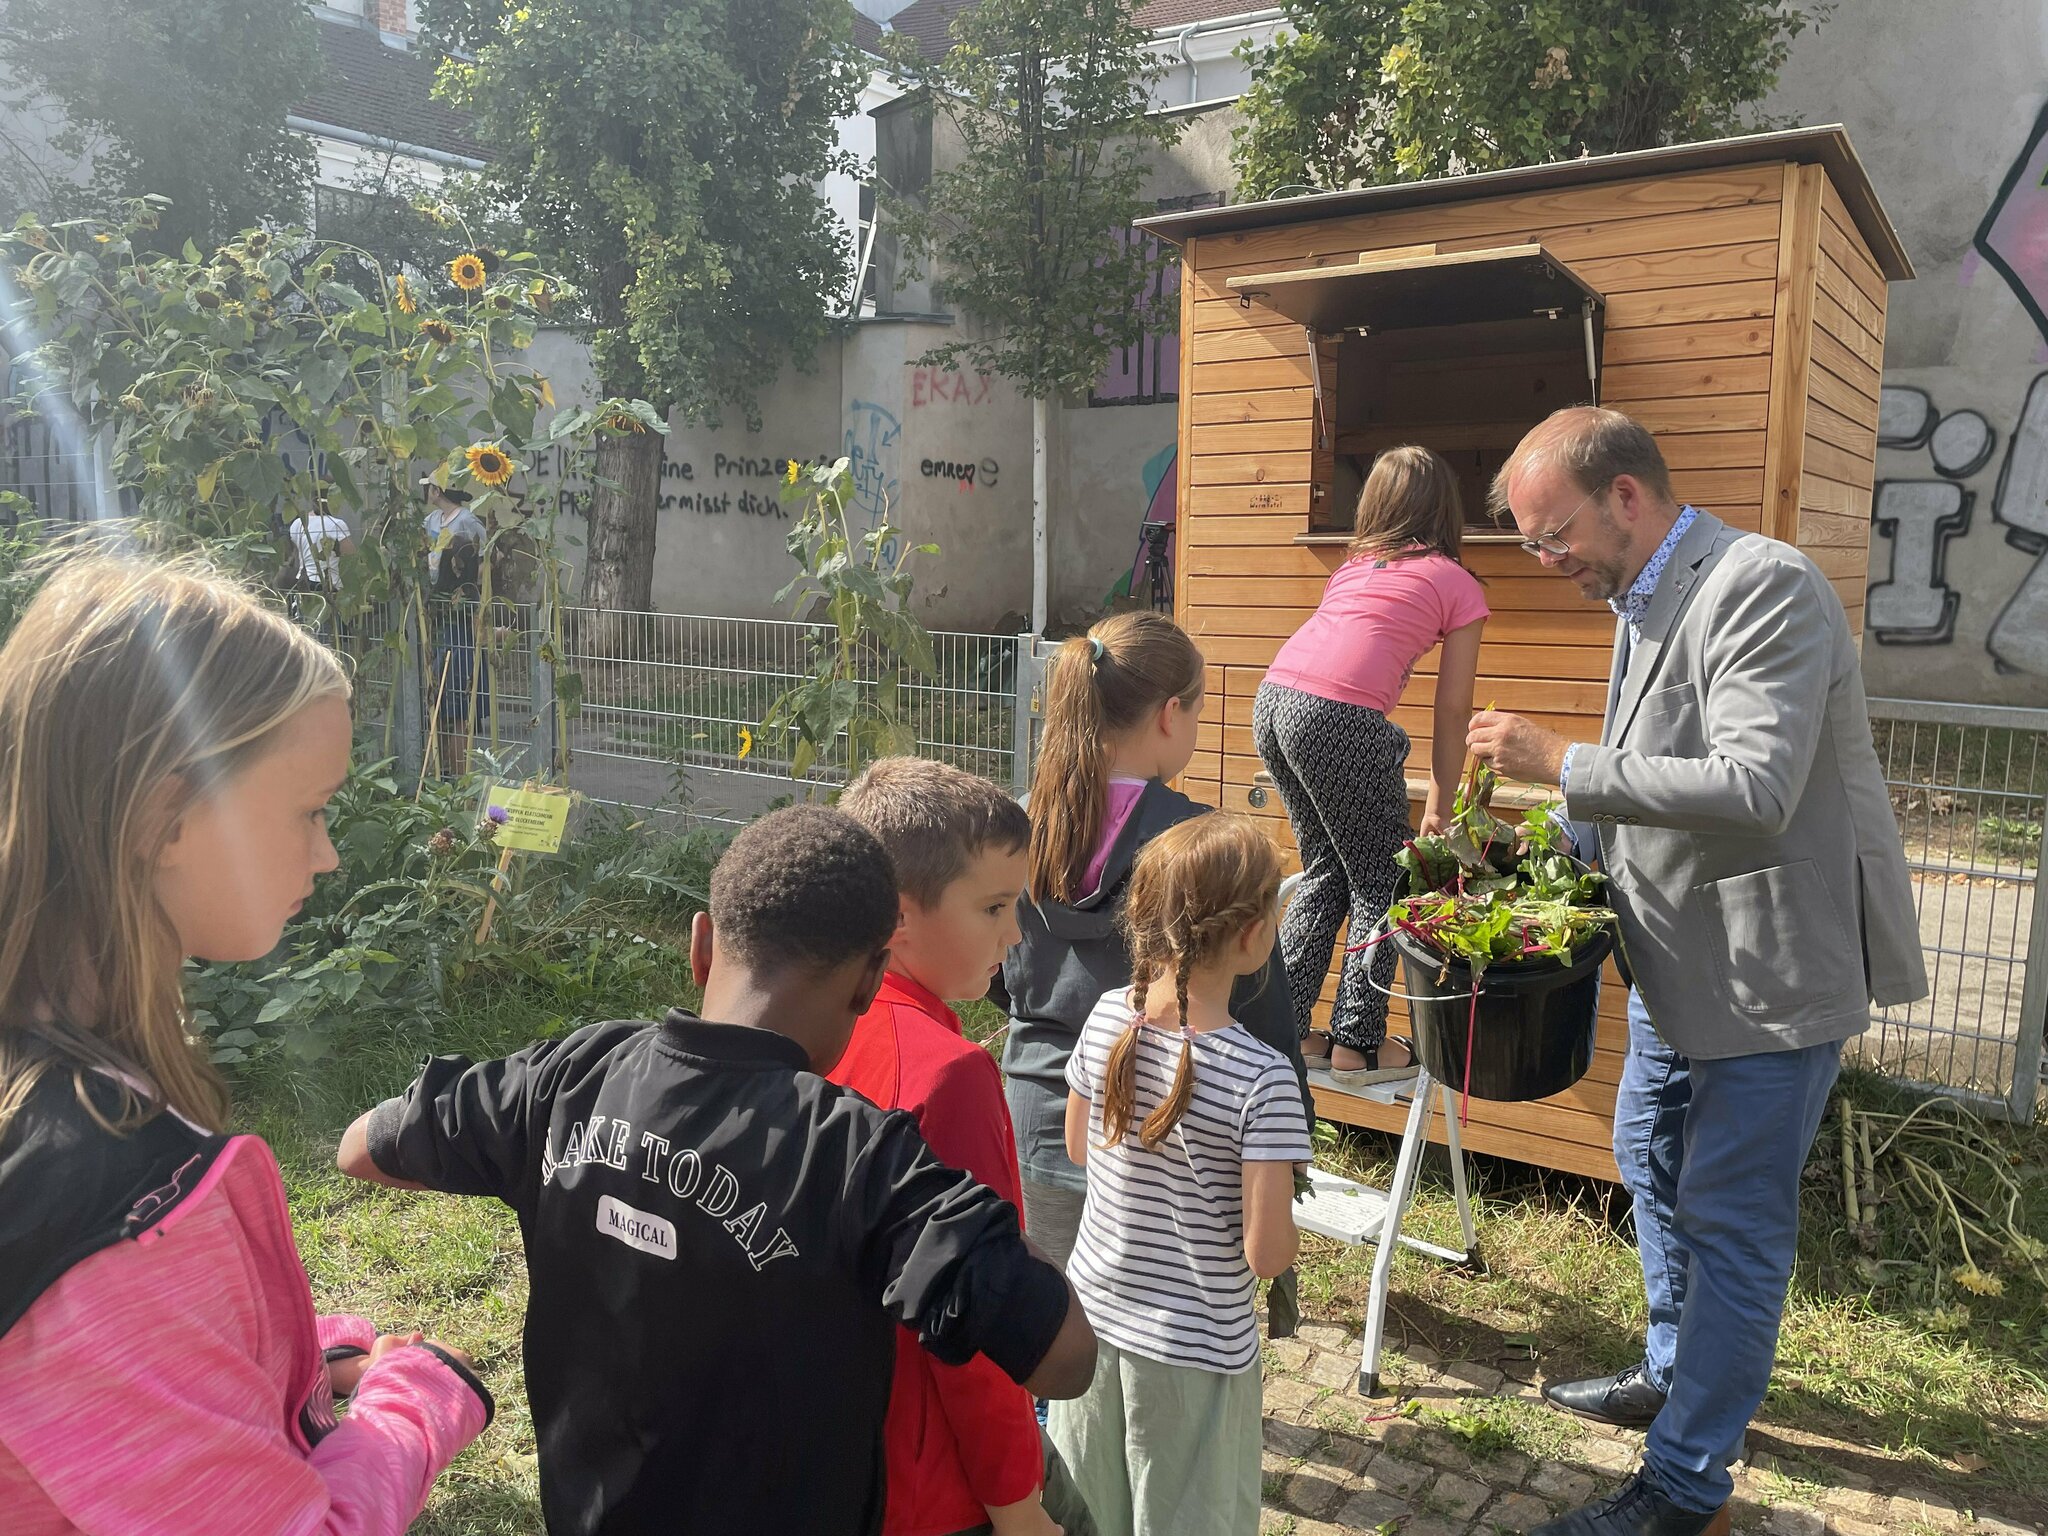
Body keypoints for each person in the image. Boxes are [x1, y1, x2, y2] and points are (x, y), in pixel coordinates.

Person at [337, 803, 1097, 1536]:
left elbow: (362, 1146)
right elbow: (1065, 1358)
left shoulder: (571, 1078)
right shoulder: (862, 1161)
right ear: (869, 983)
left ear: (701, 944)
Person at [1467, 407, 1927, 1536]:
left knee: (1728, 1221)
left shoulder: (1756, 584)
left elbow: (1752, 785)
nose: (1545, 559)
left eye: (1551, 533)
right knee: (1646, 1155)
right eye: (1530, 543)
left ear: (1625, 495)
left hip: (1768, 973)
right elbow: (1656, 770)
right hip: (1682, 967)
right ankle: (1677, 1373)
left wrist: (1560, 765)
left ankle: (1683, 1489)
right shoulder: (1641, 597)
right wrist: (1556, 843)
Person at [0, 555, 493, 1533]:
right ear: (164, 816)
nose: (327, 852)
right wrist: (418, 1402)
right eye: (309, 811)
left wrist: (288, 1355)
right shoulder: (116, 1202)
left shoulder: (58, 1082)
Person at [996, 612, 1309, 1278]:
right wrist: (1291, 1136)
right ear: (1171, 714)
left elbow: (994, 965)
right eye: (1197, 712)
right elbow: (1262, 1002)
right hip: (1165, 1135)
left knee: (1050, 1330)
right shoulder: (1201, 845)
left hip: (1032, 1122)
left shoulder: (1018, 821)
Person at [830, 757, 1090, 1536]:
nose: (1014, 933)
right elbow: (978, 1324)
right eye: (993, 907)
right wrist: (1017, 1508)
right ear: (899, 917)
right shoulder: (952, 1076)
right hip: (937, 1482)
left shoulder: (820, 1023)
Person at [1050, 813, 1312, 1536]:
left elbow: (1078, 1146)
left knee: (1089, 1516)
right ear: (1256, 935)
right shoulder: (1265, 1080)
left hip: (1092, 1325)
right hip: (1197, 1355)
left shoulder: (1105, 1018)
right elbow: (1266, 1255)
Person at [1254, 445, 1489, 1085]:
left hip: (1274, 702)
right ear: (1447, 510)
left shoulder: (1353, 569)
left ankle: (1288, 1029)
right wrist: (1440, 801)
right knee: (1383, 881)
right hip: (1337, 719)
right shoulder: (1456, 583)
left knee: (1328, 871)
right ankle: (1358, 1044)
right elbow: (1453, 710)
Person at [288, 500, 355, 592]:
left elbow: (296, 554)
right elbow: (351, 556)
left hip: (303, 582)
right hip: (330, 585)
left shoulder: (298, 523)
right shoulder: (337, 524)